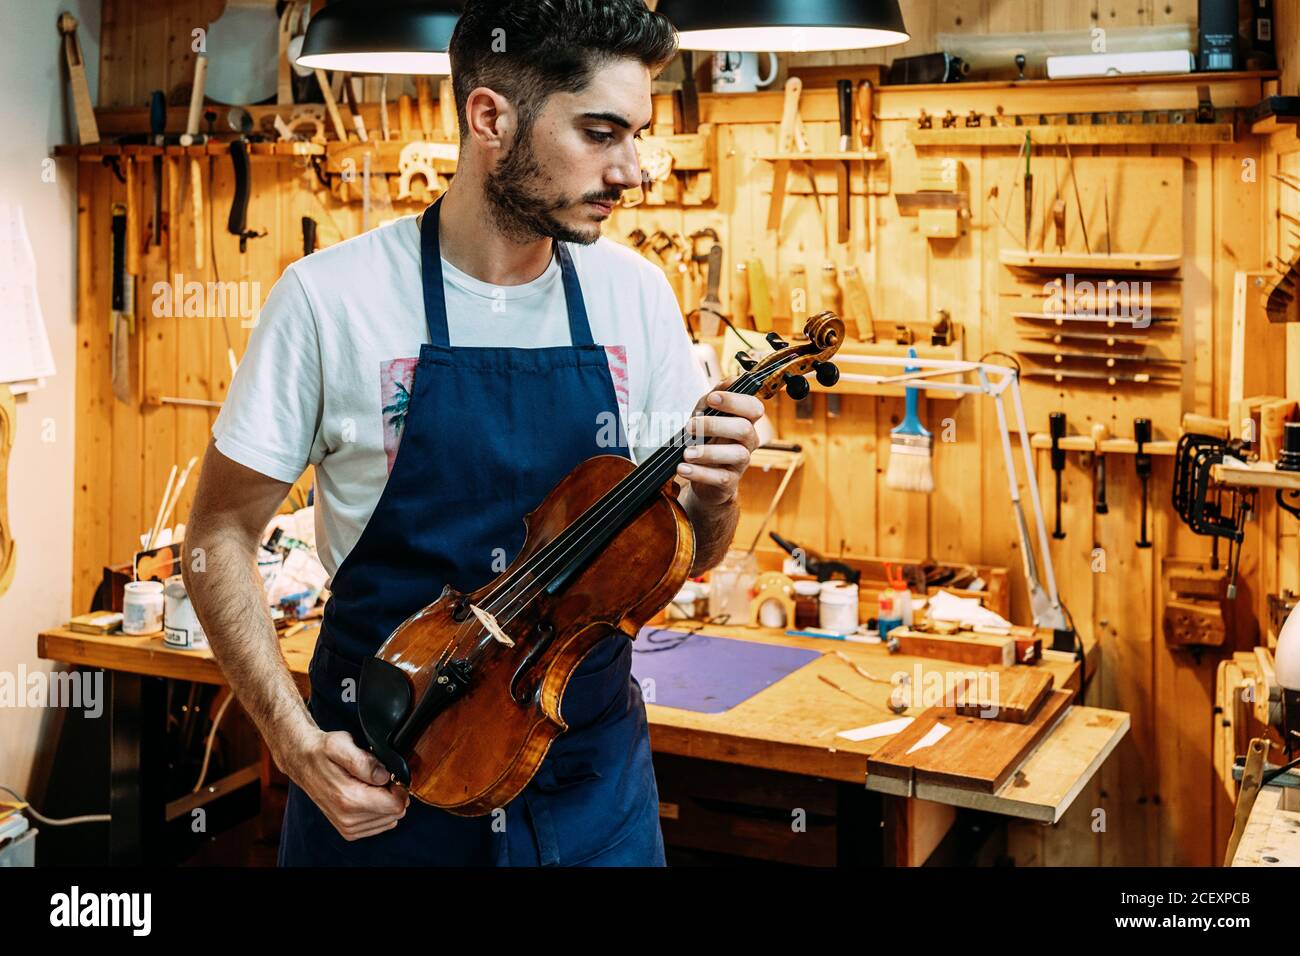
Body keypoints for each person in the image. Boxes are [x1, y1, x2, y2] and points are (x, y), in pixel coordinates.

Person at [183, 0, 764, 866]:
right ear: (489, 117)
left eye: (638, 135)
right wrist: (292, 741)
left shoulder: (634, 296)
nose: (634, 170)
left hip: (584, 778)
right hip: (387, 773)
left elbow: (691, 552)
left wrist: (717, 492)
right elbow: (218, 536)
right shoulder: (327, 299)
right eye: (601, 133)